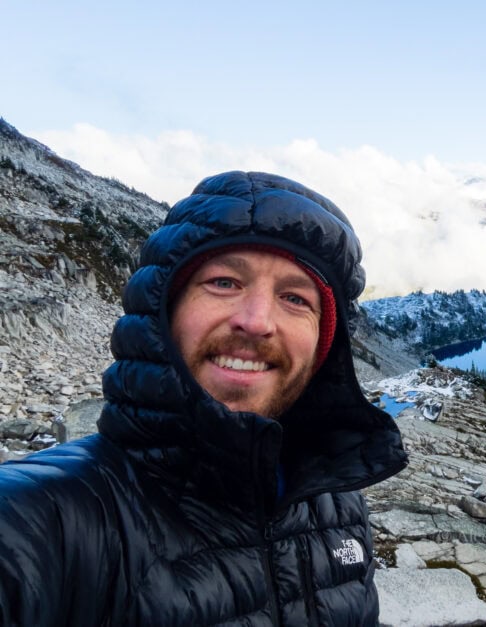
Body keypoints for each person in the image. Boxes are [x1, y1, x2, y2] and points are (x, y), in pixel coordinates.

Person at [0, 171, 408, 625]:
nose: (256, 322)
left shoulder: (337, 502)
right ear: (162, 313)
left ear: (323, 347)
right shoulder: (40, 519)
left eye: (294, 298)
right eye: (224, 282)